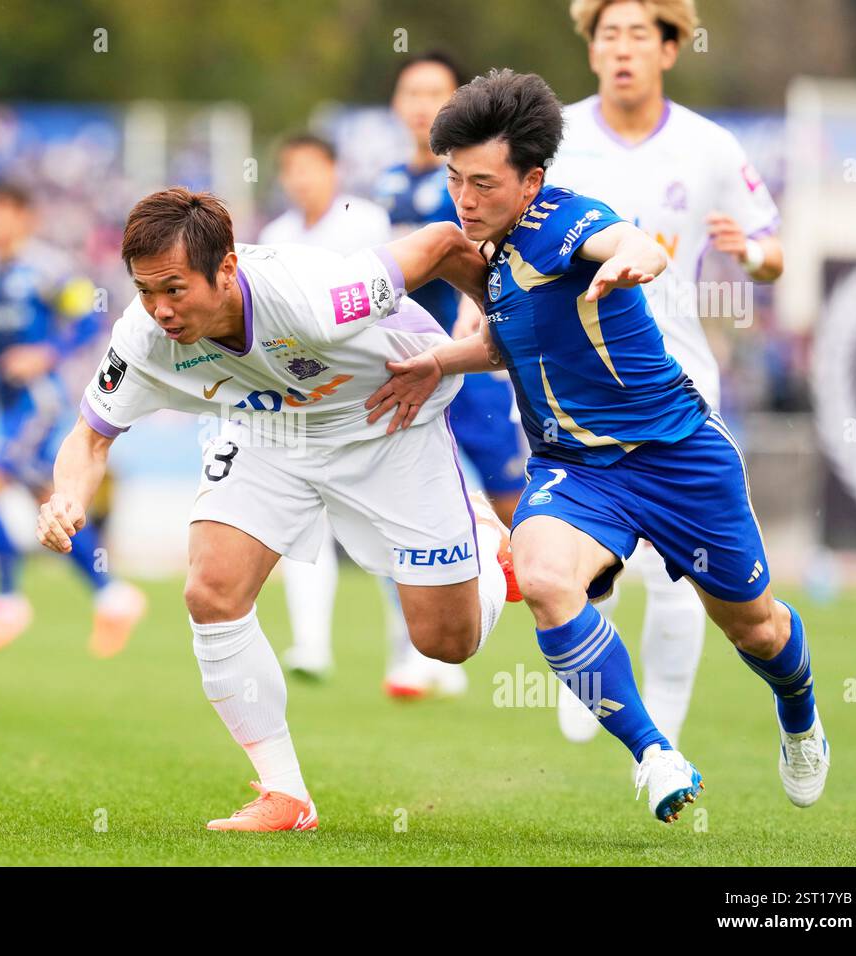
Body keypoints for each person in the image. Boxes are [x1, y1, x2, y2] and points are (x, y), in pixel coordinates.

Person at [366, 69, 828, 821]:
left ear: (532, 180)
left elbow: (627, 240)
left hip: (677, 456)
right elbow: (511, 342)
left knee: (756, 627)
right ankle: (655, 754)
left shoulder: (564, 221)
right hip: (576, 470)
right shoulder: (493, 254)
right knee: (545, 578)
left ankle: (801, 712)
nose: (465, 199)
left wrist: (635, 257)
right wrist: (438, 360)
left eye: (483, 183)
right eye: (455, 180)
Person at [38, 186, 512, 831]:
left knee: (445, 644)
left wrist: (497, 321)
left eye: (174, 289)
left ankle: (484, 541)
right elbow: (90, 436)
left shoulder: (317, 296)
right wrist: (67, 497)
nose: (160, 310)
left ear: (226, 268)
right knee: (211, 591)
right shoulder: (143, 337)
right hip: (269, 429)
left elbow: (441, 243)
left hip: (387, 423)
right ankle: (285, 794)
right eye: (146, 290)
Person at [545, 0, 784, 752]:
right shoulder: (558, 137)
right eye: (607, 35)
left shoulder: (709, 147)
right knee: (579, 543)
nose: (622, 50)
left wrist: (750, 251)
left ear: (669, 49)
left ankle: (668, 720)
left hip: (677, 377)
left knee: (682, 565)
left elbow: (775, 248)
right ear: (590, 50)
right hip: (576, 379)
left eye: (638, 36)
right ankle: (593, 653)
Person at [260, 134, 511, 693]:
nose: (300, 179)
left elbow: (418, 272)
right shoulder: (276, 237)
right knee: (310, 515)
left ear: (333, 170)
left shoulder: (367, 221)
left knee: (403, 517)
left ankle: (430, 635)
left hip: (401, 374)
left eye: (310, 167)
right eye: (290, 169)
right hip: (318, 393)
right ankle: (314, 645)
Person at [373, 51, 530, 696]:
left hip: (472, 364)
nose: (420, 104)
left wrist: (475, 312)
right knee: (396, 507)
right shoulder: (383, 185)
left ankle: (582, 598)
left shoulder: (465, 181)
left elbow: (486, 256)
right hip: (411, 366)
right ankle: (418, 649)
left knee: (515, 514)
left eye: (434, 93)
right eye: (410, 91)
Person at [0, 182, 146, 656]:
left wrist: (46, 353)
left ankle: (8, 599)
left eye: (9, 212)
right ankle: (112, 596)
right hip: (1, 405)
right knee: (54, 505)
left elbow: (90, 319)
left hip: (37, 402)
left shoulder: (47, 270)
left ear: (27, 219)